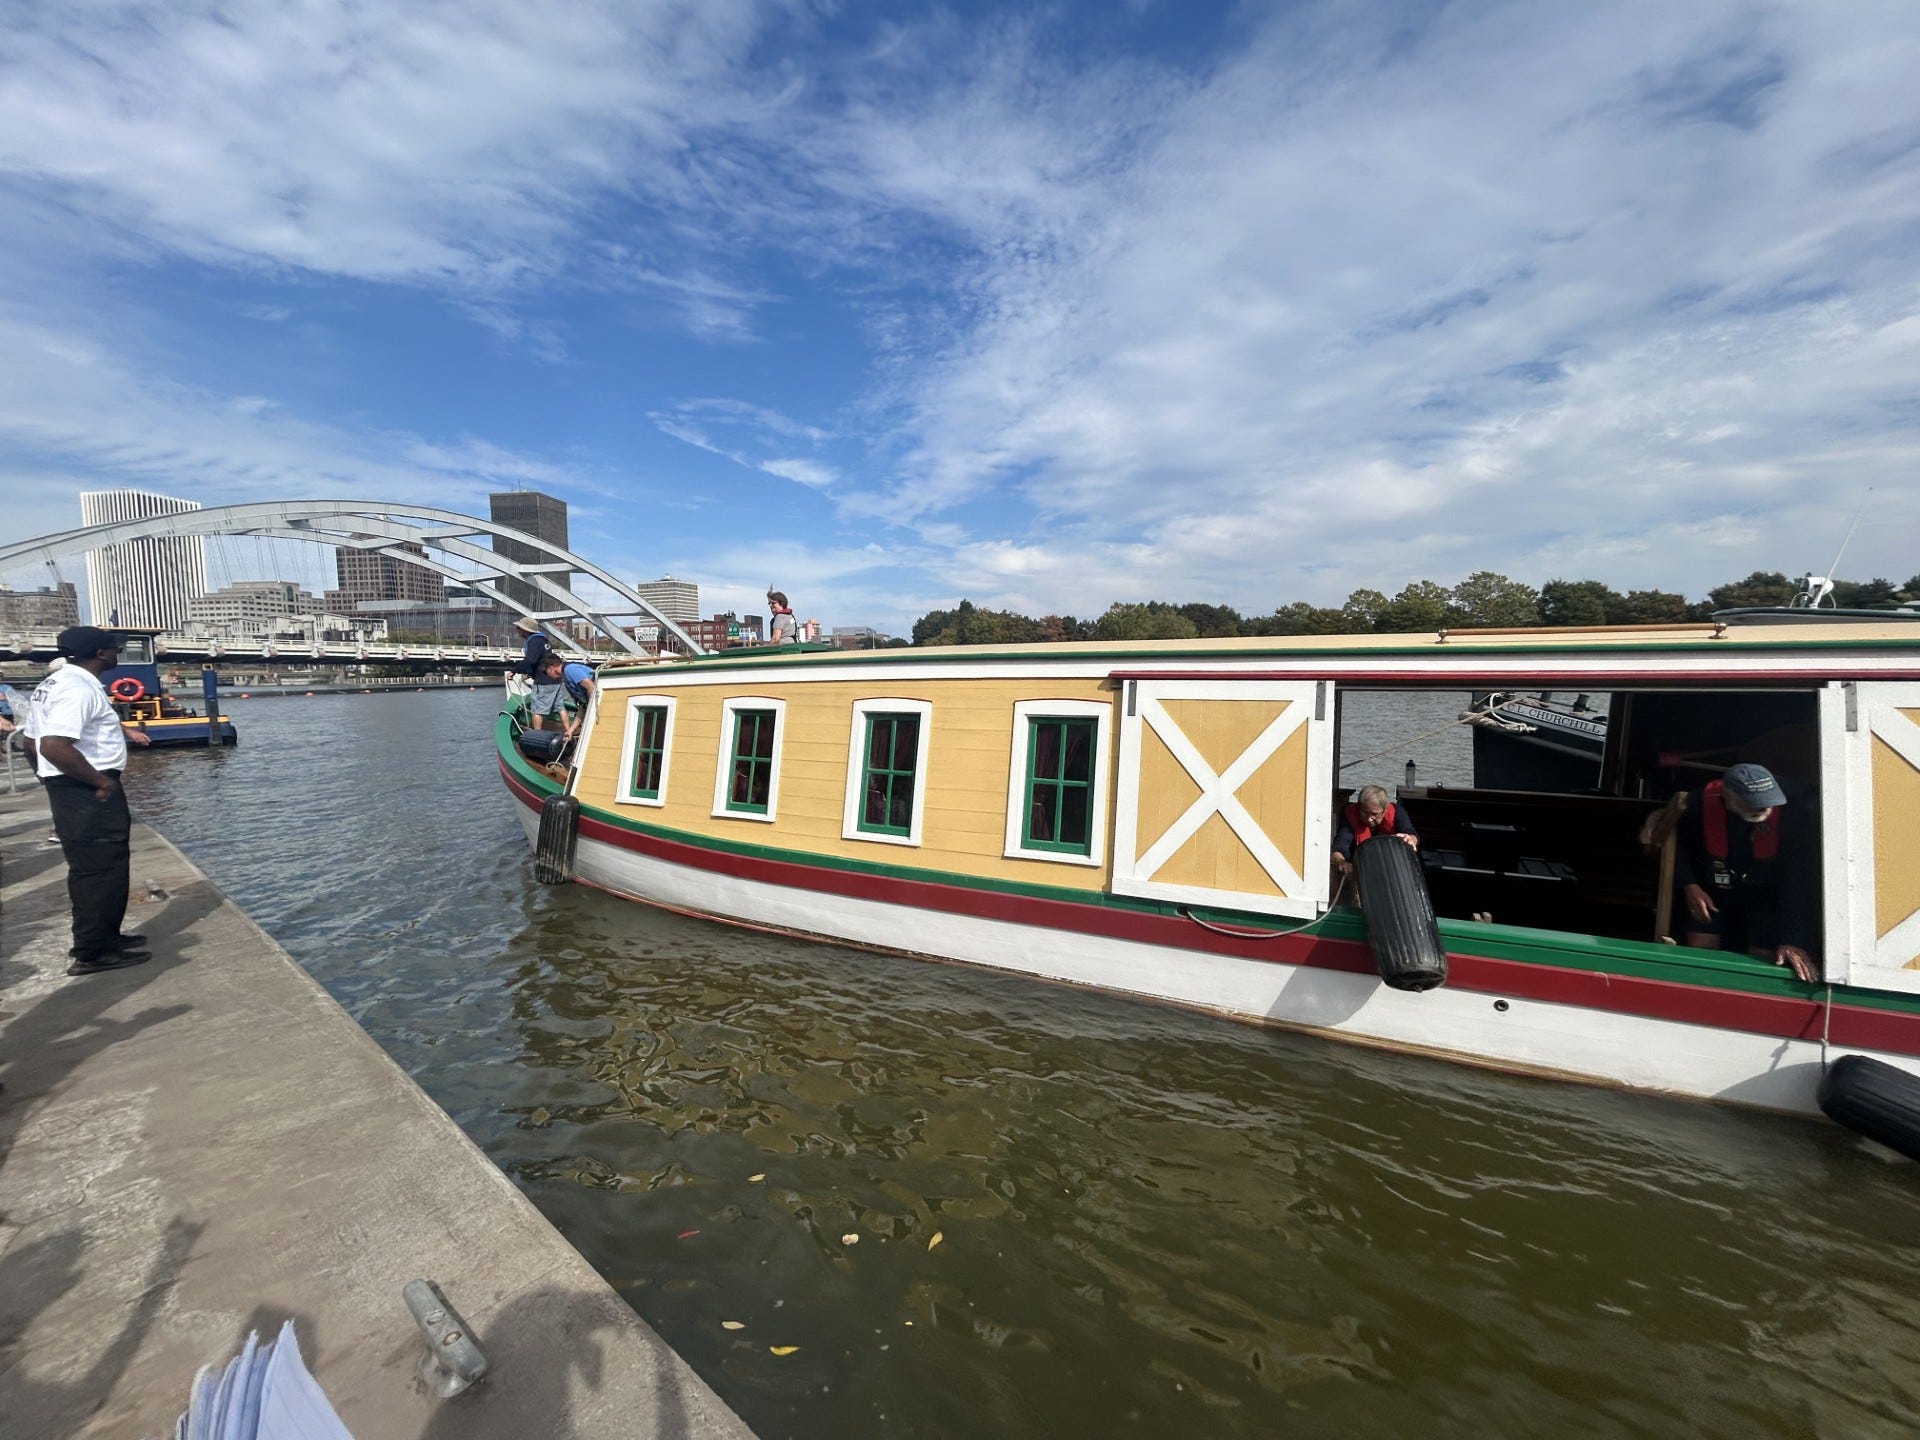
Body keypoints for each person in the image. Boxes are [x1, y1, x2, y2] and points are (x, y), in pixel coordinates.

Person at [32, 625, 153, 977]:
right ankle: (93, 952)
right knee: (98, 869)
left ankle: (107, 937)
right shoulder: (76, 689)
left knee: (107, 864)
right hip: (85, 788)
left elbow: (28, 741)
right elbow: (53, 745)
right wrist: (99, 782)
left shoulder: (54, 683)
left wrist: (47, 779)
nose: (116, 654)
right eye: (113, 649)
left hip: (72, 786)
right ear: (100, 654)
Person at [1673, 762, 1816, 983]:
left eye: (1767, 803)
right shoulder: (1698, 803)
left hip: (1765, 896)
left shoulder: (1793, 811)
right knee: (1700, 947)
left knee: (1767, 958)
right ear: (1728, 797)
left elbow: (1796, 880)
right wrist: (1689, 885)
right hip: (1713, 893)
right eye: (1754, 803)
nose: (1763, 809)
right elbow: (1678, 847)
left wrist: (1793, 939)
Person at [1332, 784, 1419, 875]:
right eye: (1365, 812)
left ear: (1384, 811)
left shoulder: (1397, 813)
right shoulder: (1350, 816)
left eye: (1374, 814)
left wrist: (1410, 839)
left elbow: (1410, 833)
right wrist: (1341, 862)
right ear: (1359, 808)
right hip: (1362, 868)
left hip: (1393, 867)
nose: (1369, 819)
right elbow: (1340, 847)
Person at [531, 654, 595, 742]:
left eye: (546, 673)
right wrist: (570, 731)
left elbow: (591, 686)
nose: (548, 676)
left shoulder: (570, 670)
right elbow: (583, 708)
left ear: (551, 669)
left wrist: (592, 710)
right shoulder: (566, 677)